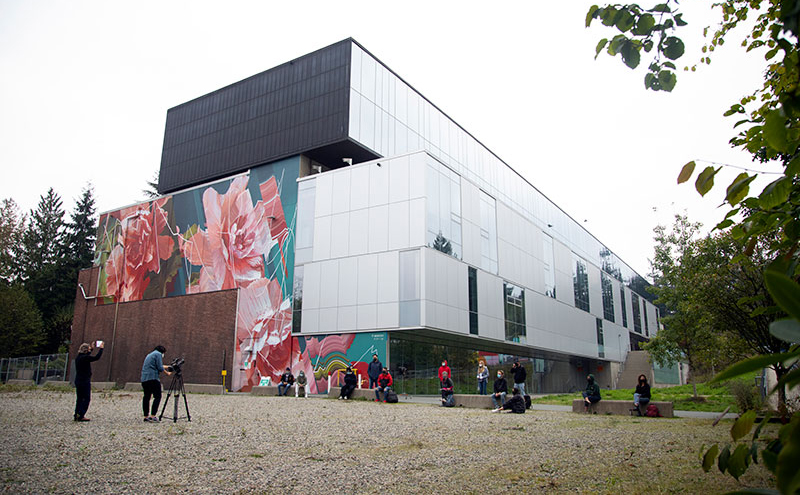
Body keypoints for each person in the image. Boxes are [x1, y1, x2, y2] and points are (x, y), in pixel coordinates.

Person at [73, 341, 104, 421]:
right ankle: (81, 415)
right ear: (86, 350)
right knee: (86, 398)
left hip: (78, 380)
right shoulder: (85, 358)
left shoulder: (78, 358)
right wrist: (101, 349)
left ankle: (77, 414)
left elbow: (87, 355)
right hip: (85, 381)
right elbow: (96, 358)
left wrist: (92, 349)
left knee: (79, 398)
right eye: (89, 349)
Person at [141, 345, 171, 423]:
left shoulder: (150, 355)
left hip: (144, 379)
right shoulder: (158, 354)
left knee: (146, 397)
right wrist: (167, 373)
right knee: (157, 396)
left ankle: (145, 416)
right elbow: (160, 368)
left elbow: (157, 366)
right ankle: (153, 415)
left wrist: (168, 367)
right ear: (162, 352)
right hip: (153, 378)